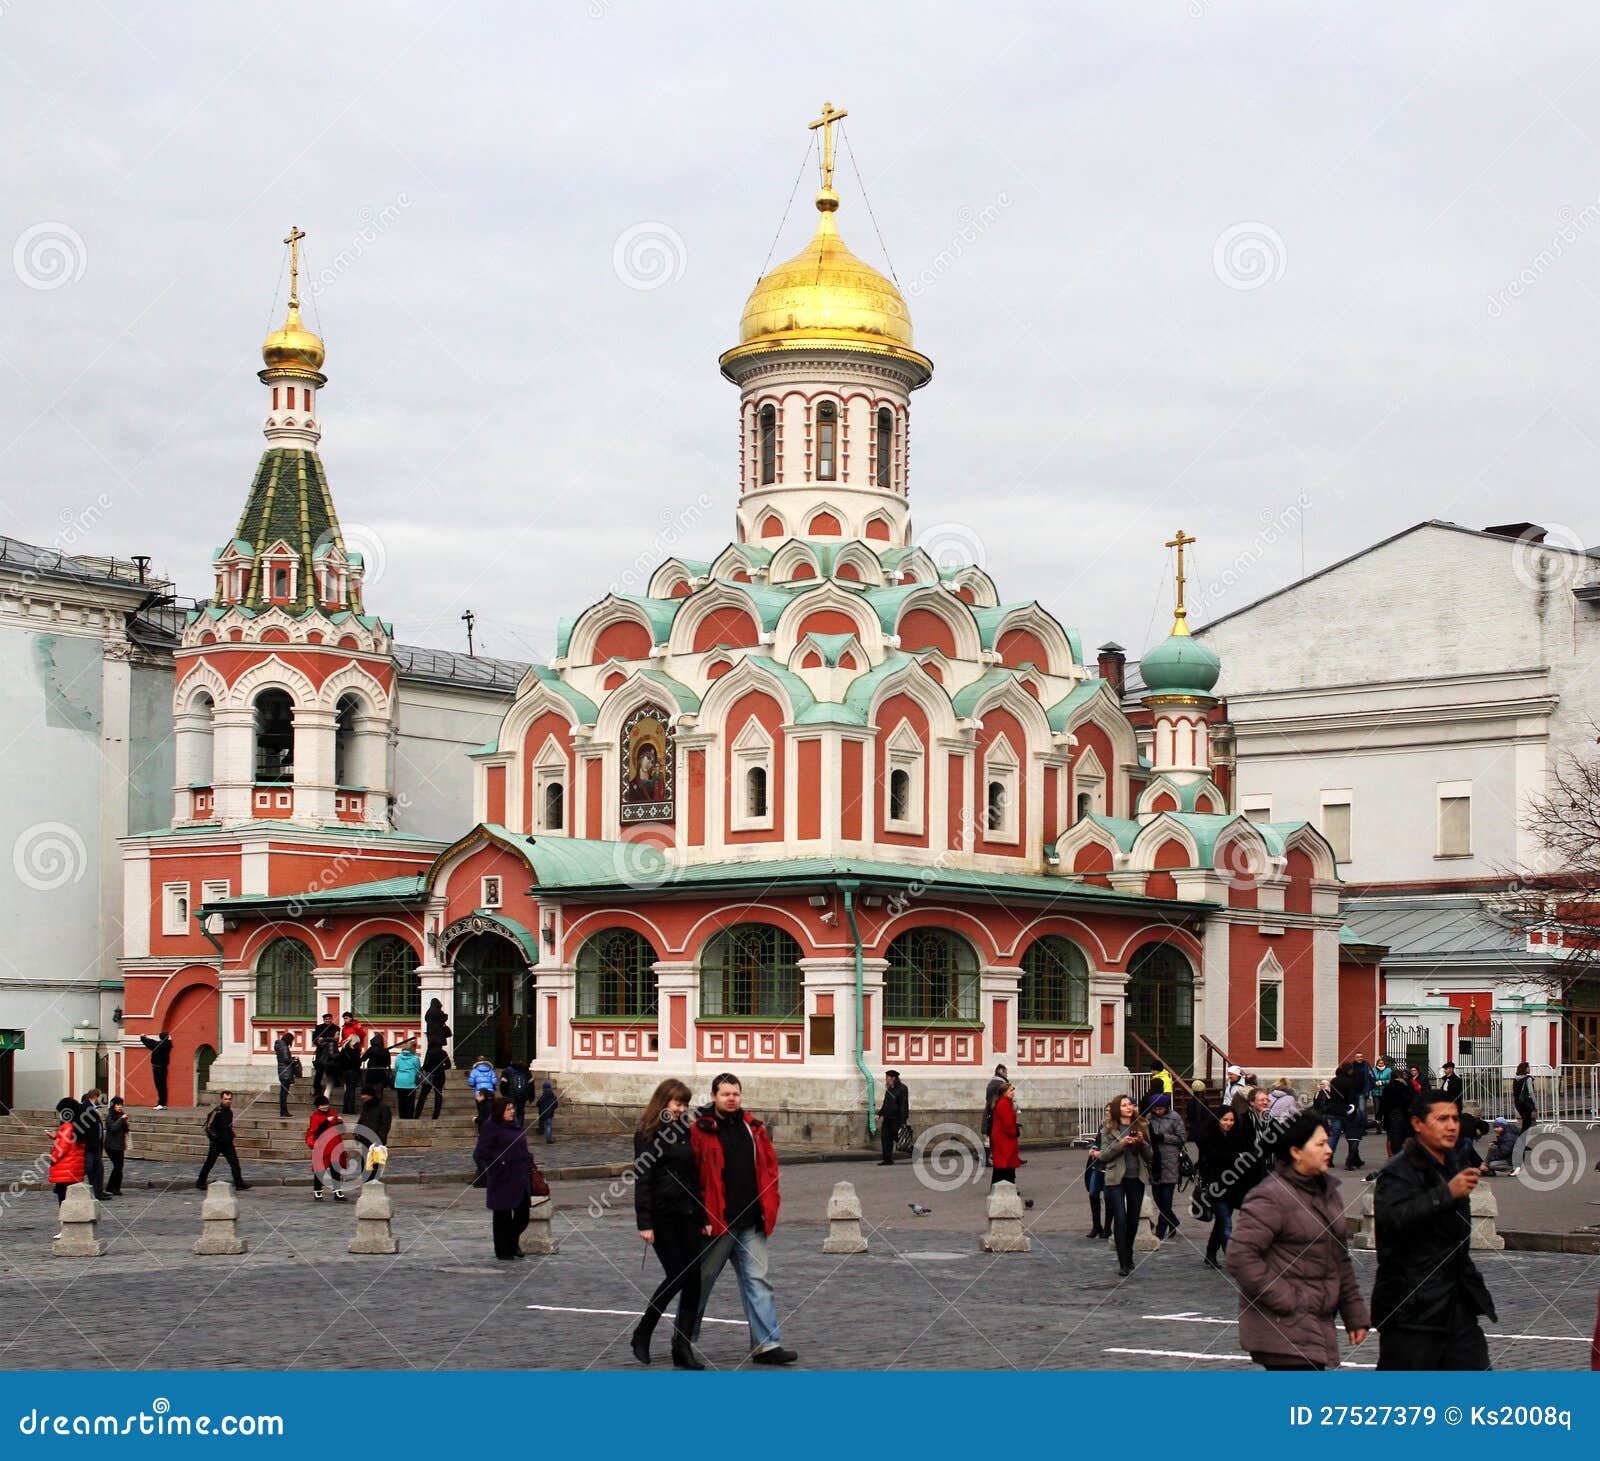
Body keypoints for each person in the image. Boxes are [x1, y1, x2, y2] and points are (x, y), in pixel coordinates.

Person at [1228, 1110, 1370, 1371]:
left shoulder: (1328, 1193)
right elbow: (1240, 1256)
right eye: (1320, 1144)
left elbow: (1339, 1260)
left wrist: (1355, 1314)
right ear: (1296, 1152)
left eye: (1328, 1142)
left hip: (1314, 1324)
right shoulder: (1270, 1196)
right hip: (1283, 1329)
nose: (1328, 1149)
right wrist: (1287, 1299)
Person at [1371, 1091, 1497, 1370]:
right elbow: (1393, 1221)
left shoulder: (1450, 1165)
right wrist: (1445, 1195)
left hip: (1456, 1304)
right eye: (1442, 1119)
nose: (1452, 1126)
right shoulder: (1398, 1172)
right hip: (1412, 1310)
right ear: (1418, 1123)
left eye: (1454, 1118)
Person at [689, 1072, 797, 1365]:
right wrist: (698, 1214)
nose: (731, 1098)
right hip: (717, 1221)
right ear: (713, 1096)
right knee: (700, 1283)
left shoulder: (754, 1129)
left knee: (759, 1281)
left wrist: (769, 1205)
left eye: (735, 1093)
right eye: (725, 1094)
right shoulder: (699, 1129)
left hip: (751, 1221)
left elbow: (769, 1168)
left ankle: (767, 1345)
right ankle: (683, 1340)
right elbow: (691, 1175)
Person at [630, 1078, 712, 1369]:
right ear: (663, 1101)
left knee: (694, 1282)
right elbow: (643, 1179)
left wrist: (702, 1217)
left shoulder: (685, 1131)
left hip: (688, 1214)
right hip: (661, 1215)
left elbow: (694, 1178)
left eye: (685, 1104)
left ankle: (683, 1347)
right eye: (678, 1103)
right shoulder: (647, 1132)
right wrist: (645, 1223)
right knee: (676, 1274)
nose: (681, 1109)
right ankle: (643, 1331)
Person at [473, 1094, 542, 1260]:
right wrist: (499, 1162)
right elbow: (482, 1151)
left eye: (512, 1108)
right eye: (508, 1109)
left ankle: (511, 1242)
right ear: (500, 1110)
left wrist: (529, 1159)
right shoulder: (491, 1126)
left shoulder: (515, 1125)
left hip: (520, 1176)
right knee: (502, 1217)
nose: (512, 1112)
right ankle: (503, 1250)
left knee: (522, 1215)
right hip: (502, 1178)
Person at [1090, 1094, 1149, 1278]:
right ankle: (1123, 1262)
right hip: (1116, 1178)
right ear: (1117, 1109)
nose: (1128, 1107)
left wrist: (1142, 1143)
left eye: (1130, 1104)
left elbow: (1151, 1155)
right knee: (1120, 1220)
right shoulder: (1108, 1128)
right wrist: (1122, 1143)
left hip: (1136, 1177)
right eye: (1124, 1105)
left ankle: (1129, 1251)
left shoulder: (1142, 1125)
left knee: (1133, 1221)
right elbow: (1105, 1155)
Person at [1197, 1105, 1247, 1269]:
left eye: (1231, 1120)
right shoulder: (1209, 1136)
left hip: (1233, 1186)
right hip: (1215, 1185)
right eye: (1225, 1119)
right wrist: (1235, 1157)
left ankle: (1211, 1252)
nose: (1228, 1123)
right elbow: (1211, 1157)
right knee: (1226, 1223)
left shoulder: (1237, 1136)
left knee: (1221, 1221)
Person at [1145, 1091, 1186, 1238]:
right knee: (1158, 1198)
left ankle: (1160, 1231)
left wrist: (1163, 1137)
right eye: (1155, 1109)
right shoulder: (1149, 1118)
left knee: (1166, 1199)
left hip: (1171, 1162)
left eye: (1160, 1109)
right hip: (1154, 1162)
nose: (1158, 1111)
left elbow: (1182, 1138)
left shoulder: (1175, 1117)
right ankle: (1173, 1221)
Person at [195, 1091, 250, 1190]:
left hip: (227, 1143)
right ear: (221, 1099)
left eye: (229, 1099)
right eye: (225, 1099)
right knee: (209, 1163)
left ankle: (239, 1184)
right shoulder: (216, 1112)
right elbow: (208, 1128)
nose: (228, 1101)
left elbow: (228, 1127)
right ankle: (200, 1182)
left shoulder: (229, 1112)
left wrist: (231, 1135)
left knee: (234, 1162)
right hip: (217, 1143)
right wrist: (217, 1138)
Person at [47, 1100, 86, 1234]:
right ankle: (74, 1228)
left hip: (65, 1169)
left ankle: (66, 1229)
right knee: (71, 1201)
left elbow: (62, 1148)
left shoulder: (67, 1126)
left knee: (63, 1202)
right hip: (74, 1169)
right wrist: (57, 1136)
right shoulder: (78, 1126)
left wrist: (52, 1159)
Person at [989, 1081, 1029, 1207]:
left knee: (1001, 1165)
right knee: (1005, 1165)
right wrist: (1015, 1131)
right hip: (1005, 1139)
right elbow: (1007, 1125)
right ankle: (1006, 1189)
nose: (1013, 1092)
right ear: (1005, 1092)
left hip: (1001, 1138)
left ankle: (999, 1188)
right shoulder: (1004, 1104)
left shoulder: (1003, 1103)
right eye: (1011, 1090)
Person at [305, 1096, 348, 1199]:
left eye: (325, 1104)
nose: (324, 1107)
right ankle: (318, 1191)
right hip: (322, 1146)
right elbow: (317, 1132)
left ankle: (337, 1192)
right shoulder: (314, 1117)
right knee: (319, 1170)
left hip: (334, 1145)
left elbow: (342, 1130)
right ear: (317, 1106)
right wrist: (326, 1121)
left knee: (335, 1170)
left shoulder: (333, 1113)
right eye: (322, 1105)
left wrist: (340, 1122)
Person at [357, 1085, 392, 1182]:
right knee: (365, 1166)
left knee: (375, 1166)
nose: (362, 1097)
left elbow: (385, 1125)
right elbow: (362, 1120)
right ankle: (366, 1186)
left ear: (370, 1095)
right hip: (365, 1140)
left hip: (376, 1142)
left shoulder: (383, 1107)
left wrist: (378, 1140)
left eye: (364, 1094)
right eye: (362, 1094)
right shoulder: (366, 1106)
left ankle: (374, 1187)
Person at [78, 1089, 108, 1200]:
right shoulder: (86, 1107)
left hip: (96, 1144)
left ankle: (97, 1192)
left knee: (98, 1169)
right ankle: (71, 1186)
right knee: (89, 1168)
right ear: (96, 1096)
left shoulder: (93, 1108)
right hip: (90, 1145)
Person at [877, 1069, 909, 1165]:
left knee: (901, 1140)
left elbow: (904, 1105)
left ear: (893, 1078)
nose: (886, 1080)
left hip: (897, 1119)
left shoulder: (902, 1088)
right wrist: (880, 1114)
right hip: (887, 1118)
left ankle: (915, 1152)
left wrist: (903, 1121)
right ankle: (887, 1160)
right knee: (885, 1139)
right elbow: (885, 1104)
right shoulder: (889, 1088)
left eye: (887, 1078)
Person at [1379, 1070, 1412, 1158]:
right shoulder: (1404, 1086)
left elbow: (1382, 1102)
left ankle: (1390, 1154)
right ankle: (1401, 1154)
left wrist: (1379, 1116)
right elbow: (1408, 1101)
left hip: (1389, 1114)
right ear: (1401, 1076)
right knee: (1402, 1135)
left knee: (1390, 1136)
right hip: (1402, 1114)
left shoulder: (1387, 1087)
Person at [1083, 1146, 1113, 1241]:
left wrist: (1101, 1154)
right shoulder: (1102, 1131)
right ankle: (1096, 1226)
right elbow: (1097, 1142)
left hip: (1109, 1167)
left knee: (1108, 1197)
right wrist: (1093, 1148)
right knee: (1093, 1194)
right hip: (1097, 1166)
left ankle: (1107, 1228)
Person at [981, 1063, 1008, 1166]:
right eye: (1005, 1072)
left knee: (989, 1138)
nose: (1007, 1075)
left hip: (989, 1113)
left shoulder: (991, 1083)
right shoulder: (1000, 1085)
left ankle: (988, 1158)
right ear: (1001, 1072)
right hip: (995, 1114)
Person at [338, 1016, 365, 1115]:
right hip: (353, 1071)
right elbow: (358, 1062)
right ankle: (351, 1109)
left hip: (345, 1071)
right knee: (352, 1090)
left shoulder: (344, 1050)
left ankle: (345, 1109)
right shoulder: (355, 1052)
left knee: (347, 1090)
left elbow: (340, 1061)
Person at [104, 1097, 129, 1197]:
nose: (119, 1107)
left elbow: (125, 1129)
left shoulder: (121, 1115)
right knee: (117, 1166)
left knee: (119, 1167)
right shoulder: (110, 1116)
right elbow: (113, 1127)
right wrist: (121, 1119)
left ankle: (114, 1187)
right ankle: (112, 1187)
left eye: (120, 1105)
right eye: (117, 1105)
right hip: (111, 1146)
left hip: (120, 1145)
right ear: (113, 1105)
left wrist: (125, 1121)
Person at [139, 1032, 172, 1109]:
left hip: (158, 1068)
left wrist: (143, 1038)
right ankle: (163, 1104)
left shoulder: (159, 1045)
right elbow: (154, 1042)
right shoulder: (168, 1044)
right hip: (163, 1068)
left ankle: (161, 1103)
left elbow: (151, 1044)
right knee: (163, 1086)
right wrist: (147, 1038)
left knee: (160, 1086)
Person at [311, 1015, 340, 1102]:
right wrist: (322, 1042)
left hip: (330, 1051)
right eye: (326, 1019)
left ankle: (335, 1082)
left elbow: (336, 1039)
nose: (327, 1020)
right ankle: (317, 1088)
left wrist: (324, 1039)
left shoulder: (336, 1027)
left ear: (331, 1019)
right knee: (319, 1071)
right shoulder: (319, 1027)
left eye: (329, 1019)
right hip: (321, 1052)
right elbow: (315, 1040)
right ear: (323, 1020)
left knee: (331, 1068)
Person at [420, 1039, 450, 1120]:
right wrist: (440, 1068)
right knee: (438, 1095)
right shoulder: (443, 1053)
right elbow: (448, 1065)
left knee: (423, 1095)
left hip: (430, 1075)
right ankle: (436, 1115)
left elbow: (426, 1065)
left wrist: (425, 1069)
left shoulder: (430, 1052)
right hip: (440, 1076)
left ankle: (417, 1114)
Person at [393, 1040, 422, 1119]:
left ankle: (402, 1116)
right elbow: (418, 1069)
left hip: (399, 1081)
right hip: (410, 1081)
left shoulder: (398, 1057)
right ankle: (409, 1116)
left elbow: (396, 1068)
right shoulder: (415, 1058)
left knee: (401, 1100)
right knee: (410, 1101)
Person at [273, 1030, 298, 1117]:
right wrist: (294, 1060)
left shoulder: (279, 1046)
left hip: (281, 1070)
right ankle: (284, 1111)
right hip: (286, 1071)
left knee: (283, 1092)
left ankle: (282, 1111)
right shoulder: (284, 1047)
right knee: (284, 1093)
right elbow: (287, 1059)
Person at [468, 1057, 499, 1128]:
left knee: (481, 1112)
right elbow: (494, 1081)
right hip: (489, 1094)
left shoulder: (474, 1071)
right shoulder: (491, 1071)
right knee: (489, 1112)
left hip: (479, 1094)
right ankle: (489, 1127)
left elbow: (471, 1083)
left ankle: (481, 1129)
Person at [501, 1058, 531, 1127]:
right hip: (523, 1095)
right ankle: (520, 1125)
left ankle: (515, 1126)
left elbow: (503, 1084)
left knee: (513, 1110)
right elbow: (531, 1084)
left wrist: (504, 1093)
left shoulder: (507, 1071)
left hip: (511, 1095)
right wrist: (531, 1096)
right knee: (521, 1111)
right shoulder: (526, 1070)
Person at [1512, 1060, 1538, 1134]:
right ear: (1524, 1069)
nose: (1529, 1068)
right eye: (1528, 1067)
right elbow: (1531, 1092)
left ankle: (1520, 1138)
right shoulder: (1528, 1079)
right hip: (1526, 1103)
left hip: (1518, 1103)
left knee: (1525, 1121)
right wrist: (1535, 1104)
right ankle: (1519, 1138)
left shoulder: (1516, 1079)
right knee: (1527, 1122)